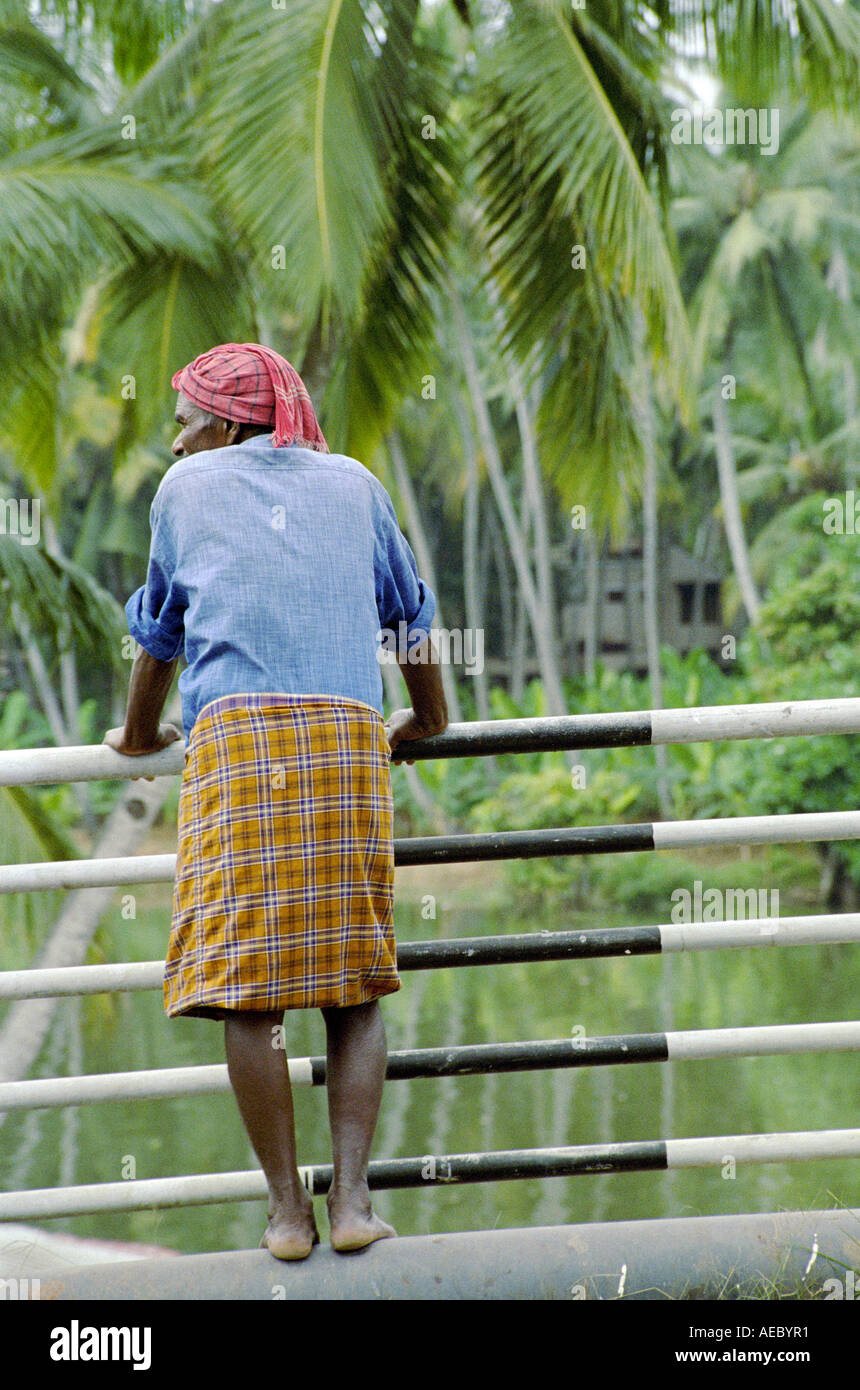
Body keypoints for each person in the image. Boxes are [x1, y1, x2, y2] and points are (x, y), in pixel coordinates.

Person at [102, 342, 448, 1260]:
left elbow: (159, 633)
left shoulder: (186, 493)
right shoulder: (355, 483)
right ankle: (354, 1203)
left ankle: (288, 1213)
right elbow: (411, 616)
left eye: (183, 423)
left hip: (238, 746)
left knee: (248, 998)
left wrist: (139, 738)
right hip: (344, 740)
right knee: (354, 983)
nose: (176, 446)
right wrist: (427, 721)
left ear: (224, 424)